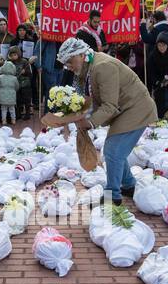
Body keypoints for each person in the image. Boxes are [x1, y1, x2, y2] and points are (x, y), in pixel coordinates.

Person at [58, 36, 158, 205]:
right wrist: (75, 114)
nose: (68, 66)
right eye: (65, 63)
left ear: (81, 55)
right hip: (125, 110)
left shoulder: (102, 66)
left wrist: (89, 122)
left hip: (136, 109)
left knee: (112, 151)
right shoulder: (88, 66)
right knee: (115, 151)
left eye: (70, 61)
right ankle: (128, 185)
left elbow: (109, 105)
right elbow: (93, 97)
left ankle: (113, 196)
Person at [146, 30, 168, 117]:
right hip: (159, 82)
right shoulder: (152, 55)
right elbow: (151, 72)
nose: (161, 48)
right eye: (159, 45)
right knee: (161, 103)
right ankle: (161, 117)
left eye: (164, 45)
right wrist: (157, 82)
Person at [0, 57, 20, 124]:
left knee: (3, 109)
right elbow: (17, 87)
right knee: (12, 109)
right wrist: (14, 91)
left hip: (2, 96)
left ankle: (4, 120)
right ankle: (13, 120)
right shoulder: (14, 78)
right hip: (12, 95)